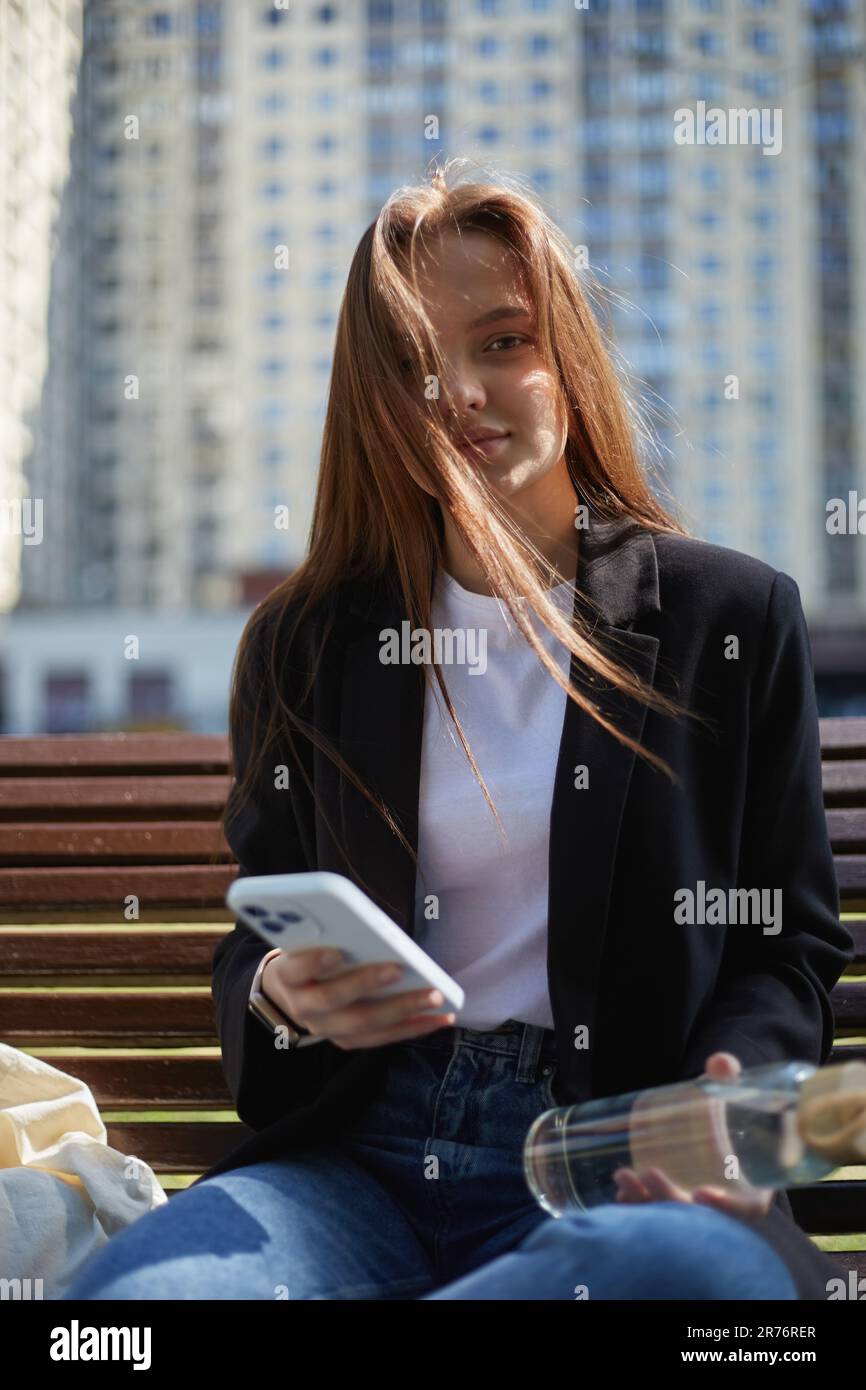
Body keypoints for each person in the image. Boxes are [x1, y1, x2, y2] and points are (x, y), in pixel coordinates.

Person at [64, 162, 854, 1301]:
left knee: (684, 1273)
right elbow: (257, 936)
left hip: (616, 1156)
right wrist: (283, 990)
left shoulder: (726, 617)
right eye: (419, 370)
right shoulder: (306, 643)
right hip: (356, 1161)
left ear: (567, 357)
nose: (465, 396)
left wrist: (719, 1099)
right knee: (138, 1308)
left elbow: (783, 945)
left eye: (501, 343)